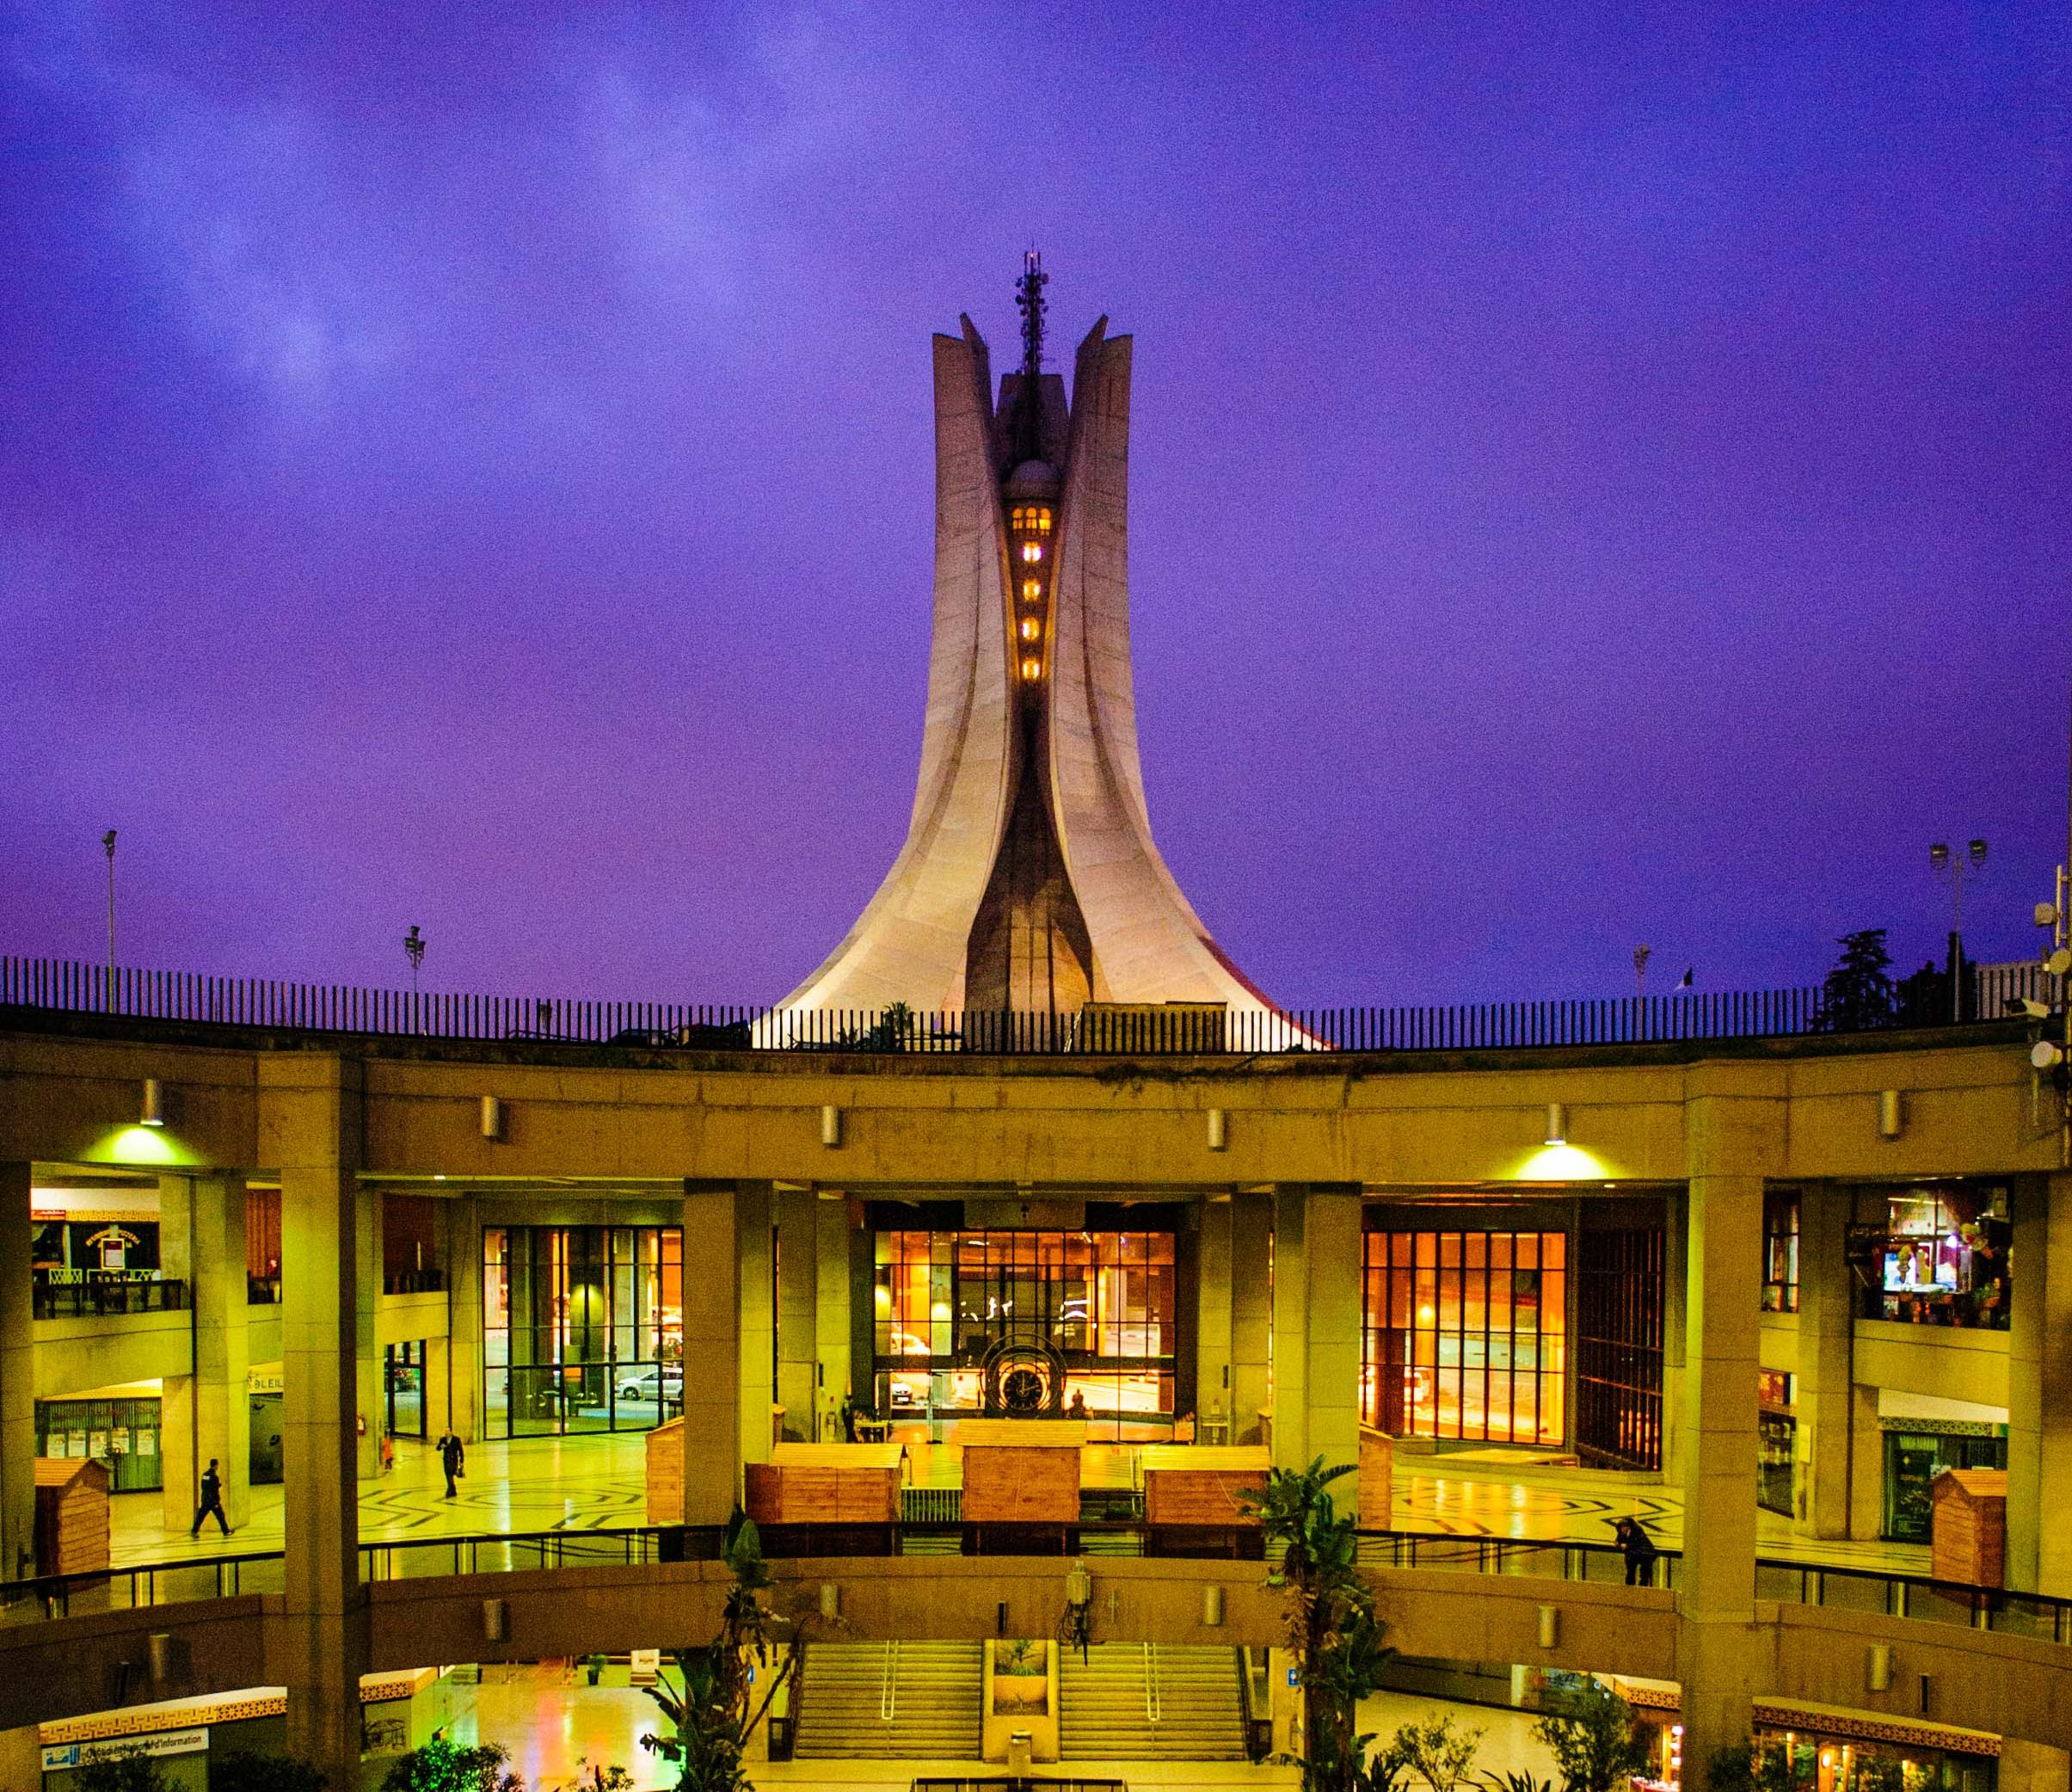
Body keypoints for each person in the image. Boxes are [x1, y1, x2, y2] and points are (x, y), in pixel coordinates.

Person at [1613, 1517, 1657, 1586]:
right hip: (1633, 1554)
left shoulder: (1637, 1530)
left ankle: (1642, 1588)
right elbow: (1618, 1541)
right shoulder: (1621, 1532)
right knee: (1630, 1571)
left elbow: (1638, 1543)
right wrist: (1618, 1544)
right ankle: (1630, 1587)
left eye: (1623, 1528)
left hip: (1645, 1554)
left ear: (1627, 1527)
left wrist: (1627, 1546)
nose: (1622, 1530)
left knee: (1644, 1574)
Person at [191, 1457, 230, 1538]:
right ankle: (226, 1531)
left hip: (205, 1499)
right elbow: (214, 1490)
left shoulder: (204, 1475)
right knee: (220, 1516)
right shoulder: (215, 1477)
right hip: (213, 1501)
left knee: (200, 1516)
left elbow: (204, 1486)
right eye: (217, 1465)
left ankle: (194, 1531)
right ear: (216, 1466)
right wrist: (216, 1502)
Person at [437, 1428, 464, 1499]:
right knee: (448, 1475)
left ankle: (451, 1490)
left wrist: (461, 1461)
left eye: (447, 1431)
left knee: (451, 1474)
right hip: (446, 1461)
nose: (446, 1433)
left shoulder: (456, 1439)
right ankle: (452, 1490)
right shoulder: (442, 1439)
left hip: (454, 1460)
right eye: (445, 1431)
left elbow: (461, 1451)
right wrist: (441, 1446)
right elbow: (438, 1448)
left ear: (451, 1432)